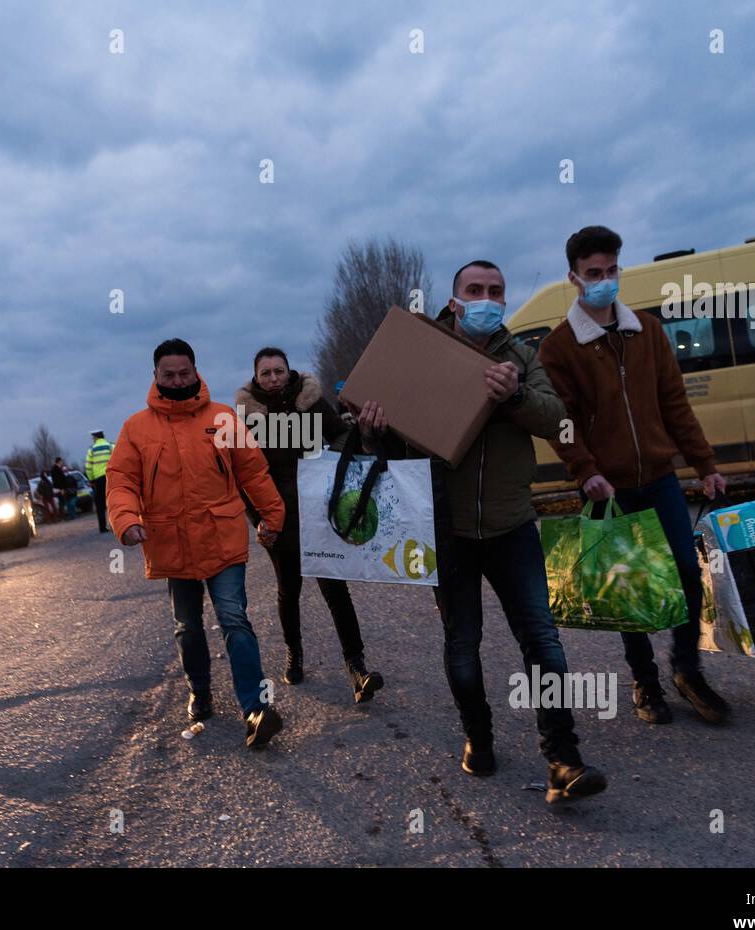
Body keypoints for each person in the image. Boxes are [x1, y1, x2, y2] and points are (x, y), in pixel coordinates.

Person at [355, 259, 606, 805]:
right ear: (454, 301)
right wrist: (375, 433)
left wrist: (514, 395)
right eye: (475, 290)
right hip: (448, 532)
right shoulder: (422, 358)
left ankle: (563, 758)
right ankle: (479, 738)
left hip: (512, 525)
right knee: (462, 646)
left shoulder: (520, 358)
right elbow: (402, 452)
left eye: (496, 291)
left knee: (542, 640)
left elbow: (556, 418)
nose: (486, 298)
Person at [538, 226, 731, 725]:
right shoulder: (559, 348)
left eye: (611, 270)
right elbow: (562, 422)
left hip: (660, 476)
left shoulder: (647, 331)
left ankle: (687, 670)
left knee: (687, 575)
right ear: (574, 278)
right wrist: (584, 471)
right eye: (593, 274)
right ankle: (645, 684)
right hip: (608, 484)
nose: (605, 281)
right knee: (627, 590)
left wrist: (705, 465)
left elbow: (675, 404)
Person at [108, 338, 287, 748]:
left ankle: (255, 709)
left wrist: (272, 516)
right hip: (171, 544)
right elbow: (121, 481)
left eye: (184, 373)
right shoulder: (136, 428)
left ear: (195, 371)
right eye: (168, 375)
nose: (177, 381)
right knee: (187, 626)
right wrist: (127, 520)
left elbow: (253, 473)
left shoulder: (222, 418)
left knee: (234, 618)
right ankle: (200, 691)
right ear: (155, 376)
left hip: (222, 538)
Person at [234, 347, 383, 703]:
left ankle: (357, 667)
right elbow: (243, 475)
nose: (273, 378)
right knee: (289, 590)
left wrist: (332, 463)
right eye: (266, 372)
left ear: (289, 372)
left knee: (335, 590)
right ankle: (294, 654)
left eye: (279, 371)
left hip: (319, 513)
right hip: (278, 520)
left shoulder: (311, 402)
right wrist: (259, 520)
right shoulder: (249, 418)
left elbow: (341, 435)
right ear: (256, 378)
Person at [85, 430, 114, 533]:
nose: (92, 440)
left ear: (96, 438)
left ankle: (102, 527)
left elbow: (88, 467)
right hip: (111, 477)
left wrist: (91, 479)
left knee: (100, 504)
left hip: (98, 480)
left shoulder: (92, 450)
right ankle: (115, 525)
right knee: (112, 502)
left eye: (93, 438)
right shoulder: (110, 446)